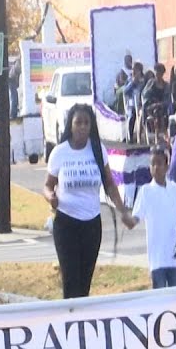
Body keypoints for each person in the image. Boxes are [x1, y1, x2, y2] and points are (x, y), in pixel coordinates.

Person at [43, 104, 136, 299]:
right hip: (66, 223)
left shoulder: (97, 150)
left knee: (84, 283)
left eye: (87, 123)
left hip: (92, 225)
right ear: (71, 125)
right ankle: (69, 322)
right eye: (78, 122)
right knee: (71, 280)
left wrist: (123, 211)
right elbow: (48, 185)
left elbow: (110, 184)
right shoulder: (59, 153)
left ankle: (81, 323)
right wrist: (51, 196)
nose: (83, 127)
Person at [128, 148, 176, 288]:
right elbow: (135, 219)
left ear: (166, 166)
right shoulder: (146, 191)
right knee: (160, 297)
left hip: (174, 258)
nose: (155, 167)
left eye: (159, 163)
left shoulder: (175, 190)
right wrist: (125, 216)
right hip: (157, 259)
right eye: (152, 164)